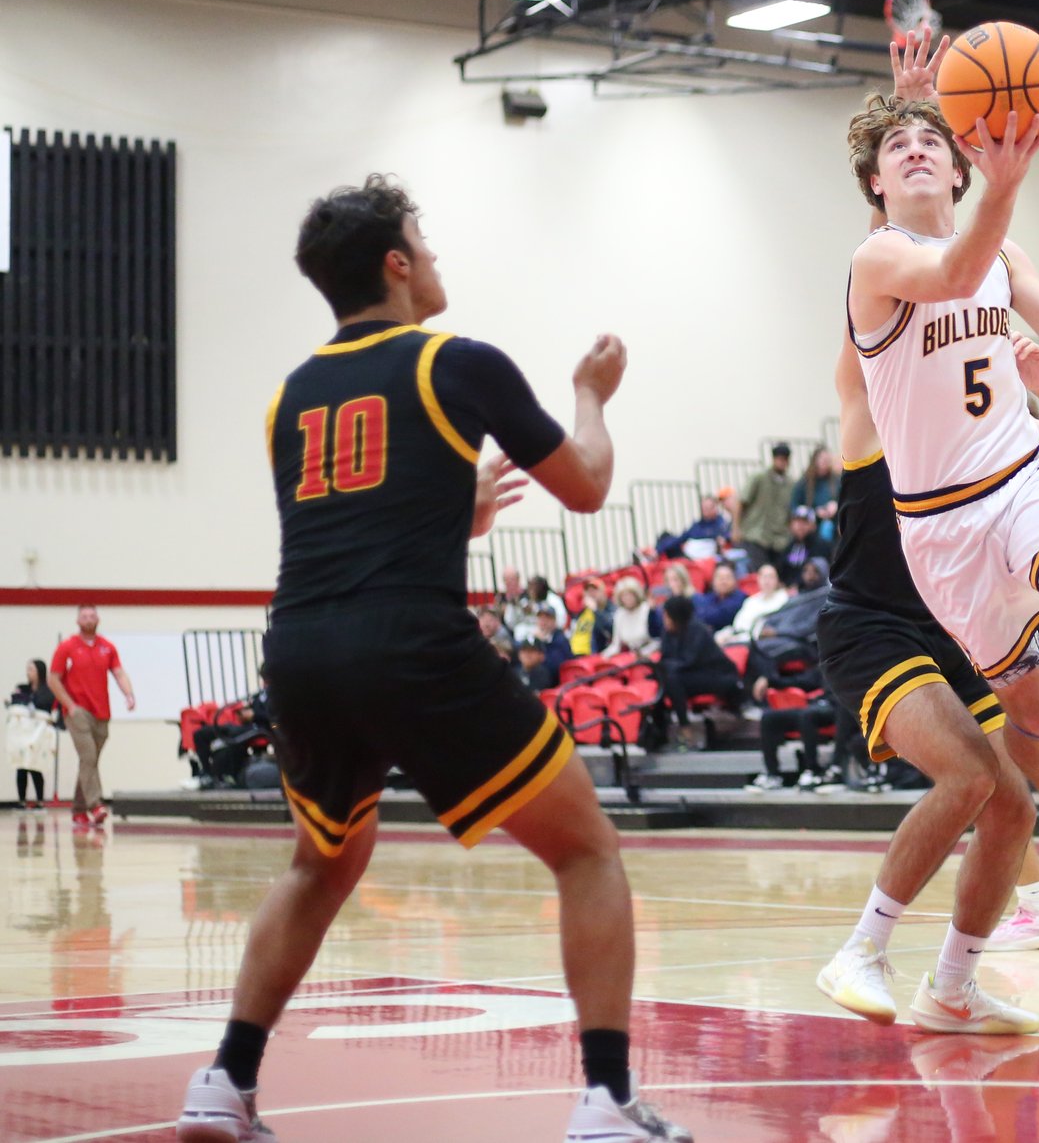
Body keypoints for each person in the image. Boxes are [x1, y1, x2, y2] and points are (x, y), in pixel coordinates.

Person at [176, 176, 684, 1141]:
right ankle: (607, 1099)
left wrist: (462, 512)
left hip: (299, 646)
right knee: (586, 849)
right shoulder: (461, 361)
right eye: (426, 241)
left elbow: (347, 529)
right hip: (407, 639)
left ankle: (224, 1082)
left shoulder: (289, 396)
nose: (438, 259)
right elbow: (585, 487)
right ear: (397, 265)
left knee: (319, 865)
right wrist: (589, 395)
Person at [817, 286, 1039, 1032]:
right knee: (972, 777)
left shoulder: (1006, 435)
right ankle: (861, 949)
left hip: (963, 627)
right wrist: (897, 212)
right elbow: (868, 311)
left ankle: (952, 987)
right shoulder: (876, 414)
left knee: (1010, 804)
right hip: (875, 628)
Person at [48, 604, 136, 829]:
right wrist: (70, 705)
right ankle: (96, 805)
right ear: (78, 621)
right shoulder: (67, 647)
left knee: (90, 761)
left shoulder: (107, 647)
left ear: (98, 619)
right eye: (84, 616)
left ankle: (78, 809)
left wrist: (129, 694)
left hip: (101, 712)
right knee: (88, 757)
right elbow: (53, 679)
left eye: (92, 615)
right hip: (77, 711)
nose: (88, 619)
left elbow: (118, 672)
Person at [655, 594, 742, 751]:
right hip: (690, 674)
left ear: (677, 616)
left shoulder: (697, 630)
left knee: (672, 679)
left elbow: (689, 661)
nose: (664, 619)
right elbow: (666, 658)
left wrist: (663, 666)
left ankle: (685, 728)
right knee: (663, 680)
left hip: (718, 675)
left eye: (667, 616)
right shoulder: (668, 632)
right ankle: (658, 732)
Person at [738, 443, 797, 574]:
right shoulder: (759, 478)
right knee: (760, 573)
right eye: (779, 458)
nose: (782, 462)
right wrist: (736, 528)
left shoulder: (791, 484)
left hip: (780, 538)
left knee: (778, 573)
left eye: (784, 459)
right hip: (757, 534)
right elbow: (742, 502)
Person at [9, 659, 60, 810]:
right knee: (21, 766)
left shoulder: (48, 691)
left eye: (31, 669)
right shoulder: (23, 689)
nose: (28, 672)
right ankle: (22, 801)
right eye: (27, 669)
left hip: (38, 734)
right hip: (23, 732)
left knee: (35, 766)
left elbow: (49, 710)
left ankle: (39, 801)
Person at [723, 564, 790, 645]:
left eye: (771, 577)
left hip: (765, 642)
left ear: (777, 580)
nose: (767, 581)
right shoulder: (751, 601)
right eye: (764, 577)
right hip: (742, 637)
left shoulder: (784, 599)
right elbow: (738, 625)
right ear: (758, 579)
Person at [602, 577, 663, 659]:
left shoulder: (647, 609)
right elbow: (616, 645)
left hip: (652, 653)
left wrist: (643, 653)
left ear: (636, 594)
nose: (627, 598)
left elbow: (658, 641)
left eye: (630, 594)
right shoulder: (619, 614)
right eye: (624, 595)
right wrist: (603, 657)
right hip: (633, 655)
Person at [662, 493, 734, 562]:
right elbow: (680, 538)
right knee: (665, 536)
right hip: (688, 554)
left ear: (715, 508)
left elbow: (727, 536)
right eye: (704, 508)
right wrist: (658, 549)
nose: (705, 510)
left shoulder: (721, 524)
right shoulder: (697, 525)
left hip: (705, 556)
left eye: (708, 507)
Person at [791, 447, 842, 542]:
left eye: (828, 460)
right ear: (815, 460)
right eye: (823, 460)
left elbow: (844, 499)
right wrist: (814, 512)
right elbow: (794, 507)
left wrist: (836, 505)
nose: (825, 463)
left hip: (834, 524)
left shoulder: (836, 480)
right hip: (811, 527)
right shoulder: (803, 483)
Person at [780, 506, 834, 581]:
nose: (800, 526)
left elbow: (820, 573)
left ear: (813, 525)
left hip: (815, 590)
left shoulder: (821, 546)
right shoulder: (789, 547)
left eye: (805, 522)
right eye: (797, 521)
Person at [694, 562, 745, 634]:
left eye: (727, 578)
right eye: (720, 578)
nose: (723, 581)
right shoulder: (709, 597)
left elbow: (721, 616)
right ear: (713, 581)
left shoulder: (741, 598)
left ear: (735, 580)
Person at [567, 580, 613, 657]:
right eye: (588, 591)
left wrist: (595, 610)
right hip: (574, 654)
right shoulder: (581, 612)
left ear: (603, 592)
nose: (591, 594)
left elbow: (611, 627)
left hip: (593, 654)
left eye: (594, 590)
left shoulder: (609, 608)